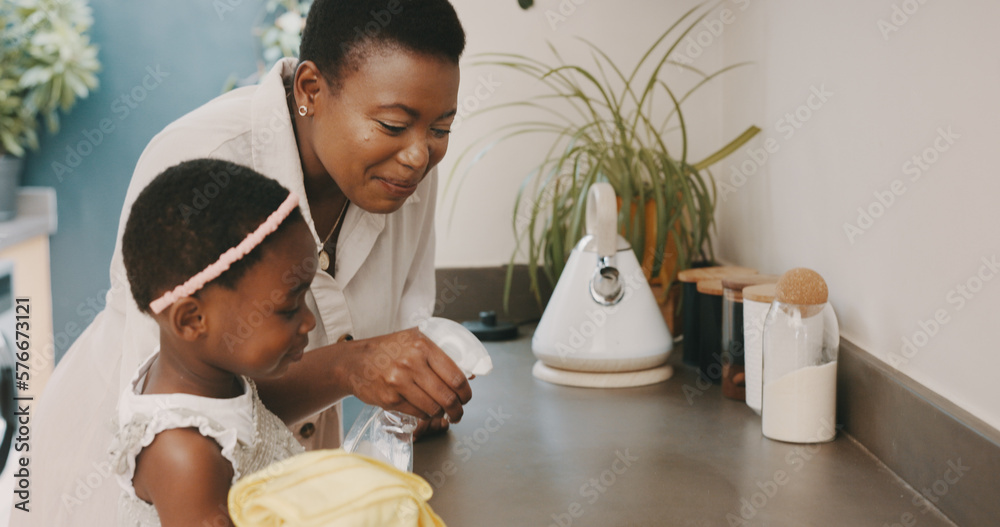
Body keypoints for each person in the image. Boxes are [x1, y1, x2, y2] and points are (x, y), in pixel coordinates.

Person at [16, 1, 471, 525]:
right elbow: (189, 396)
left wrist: (413, 392)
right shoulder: (201, 157)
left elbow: (399, 334)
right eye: (393, 124)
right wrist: (353, 365)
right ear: (310, 90)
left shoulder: (405, 174)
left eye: (441, 129)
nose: (419, 155)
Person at [110, 159, 313, 526]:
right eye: (289, 307)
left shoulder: (208, 377)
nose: (309, 321)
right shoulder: (184, 455)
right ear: (192, 320)